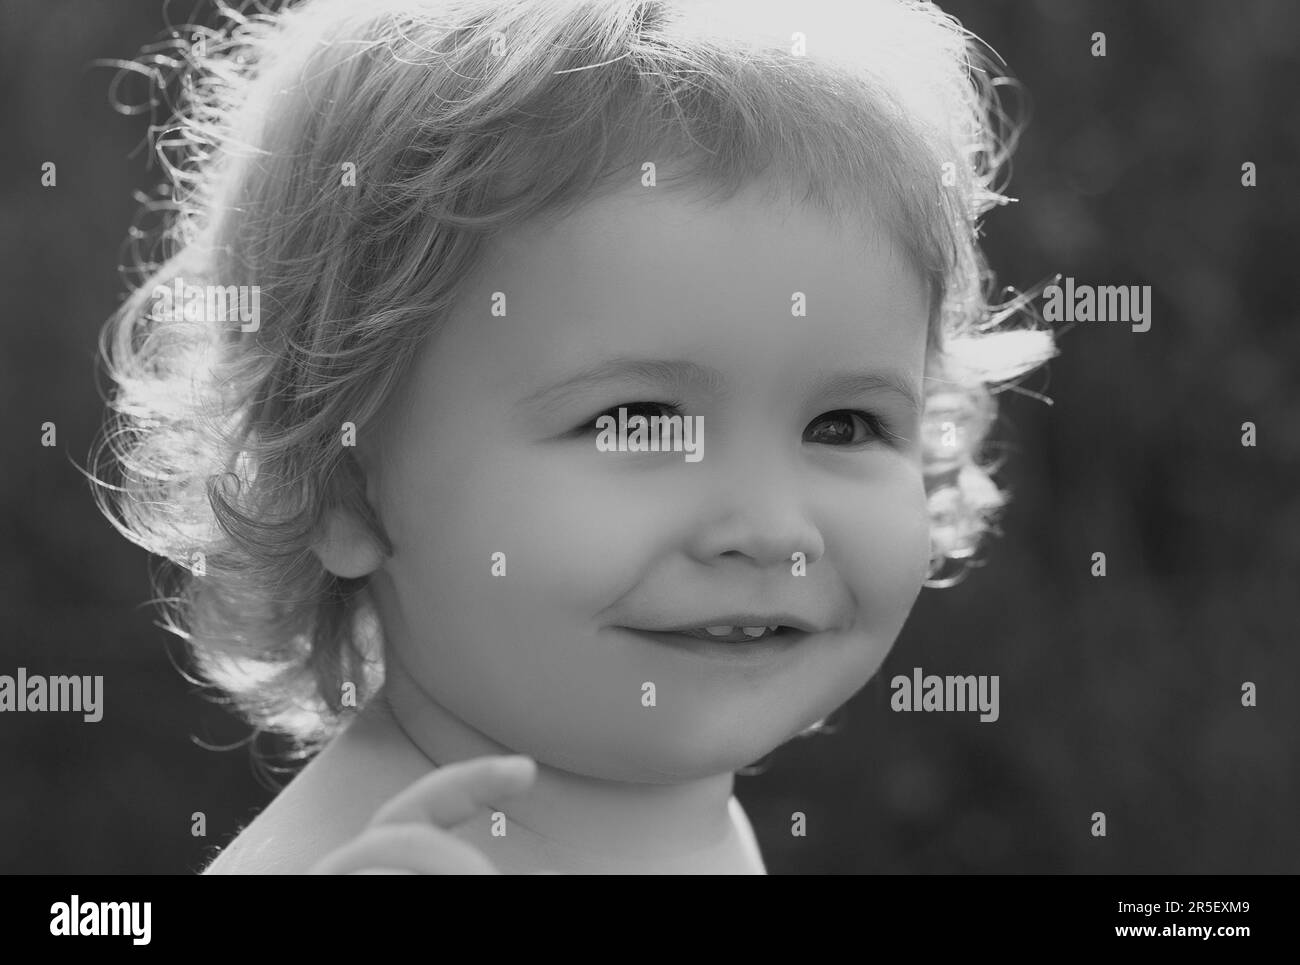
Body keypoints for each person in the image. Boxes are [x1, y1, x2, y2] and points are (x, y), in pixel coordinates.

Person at [90, 0, 1056, 874]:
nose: (768, 526)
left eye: (843, 424)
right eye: (638, 422)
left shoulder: (658, 819)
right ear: (343, 484)